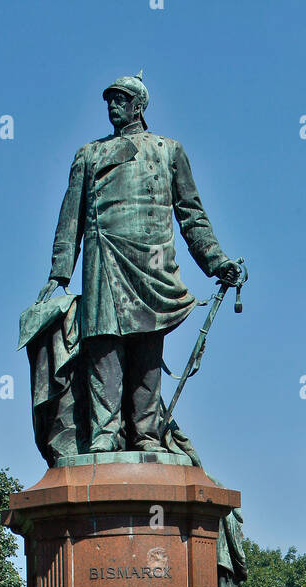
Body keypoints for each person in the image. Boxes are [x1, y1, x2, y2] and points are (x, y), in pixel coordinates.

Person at [37, 73, 242, 453]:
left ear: (139, 106)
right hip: (104, 260)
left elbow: (191, 216)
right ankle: (104, 433)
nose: (113, 107)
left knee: (148, 349)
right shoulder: (88, 154)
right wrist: (59, 273)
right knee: (104, 347)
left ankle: (146, 434)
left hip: (152, 264)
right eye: (109, 101)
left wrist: (216, 262)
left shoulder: (168, 150)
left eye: (120, 99)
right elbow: (70, 219)